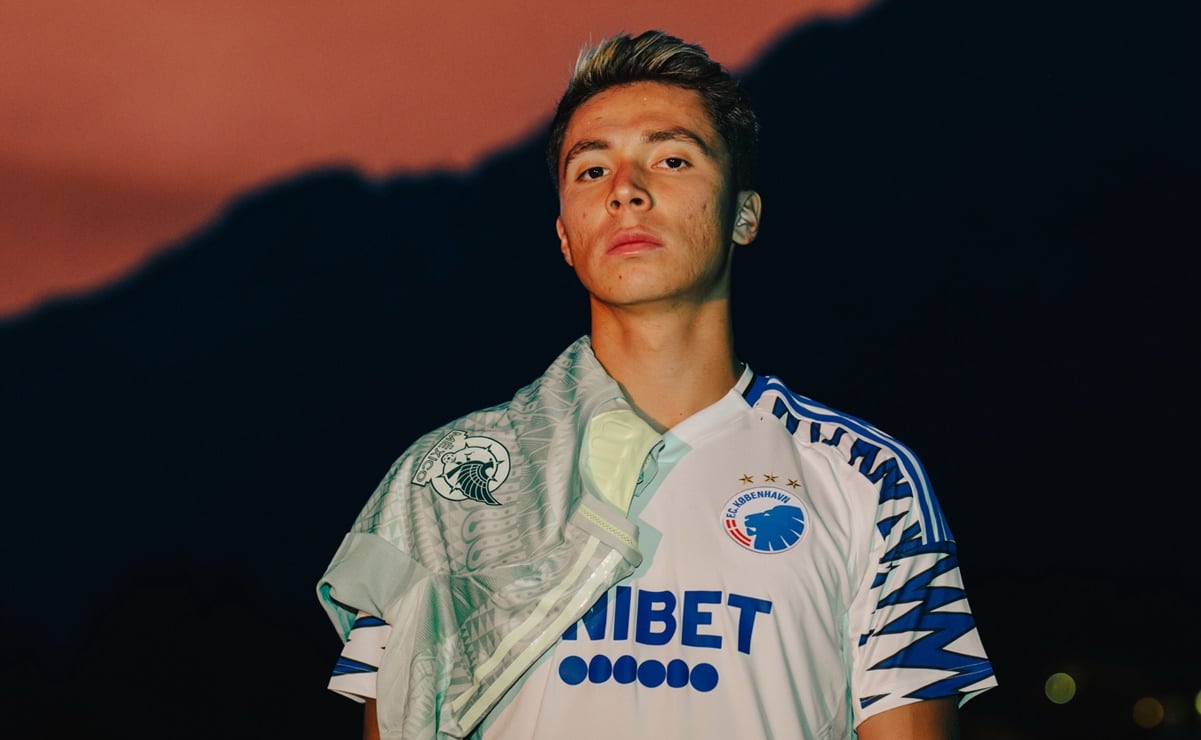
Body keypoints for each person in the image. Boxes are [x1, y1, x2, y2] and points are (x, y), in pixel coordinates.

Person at [317, 30, 996, 740]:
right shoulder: (453, 479)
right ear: (564, 235)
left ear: (743, 215)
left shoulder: (867, 480)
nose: (625, 192)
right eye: (591, 171)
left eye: (671, 159)